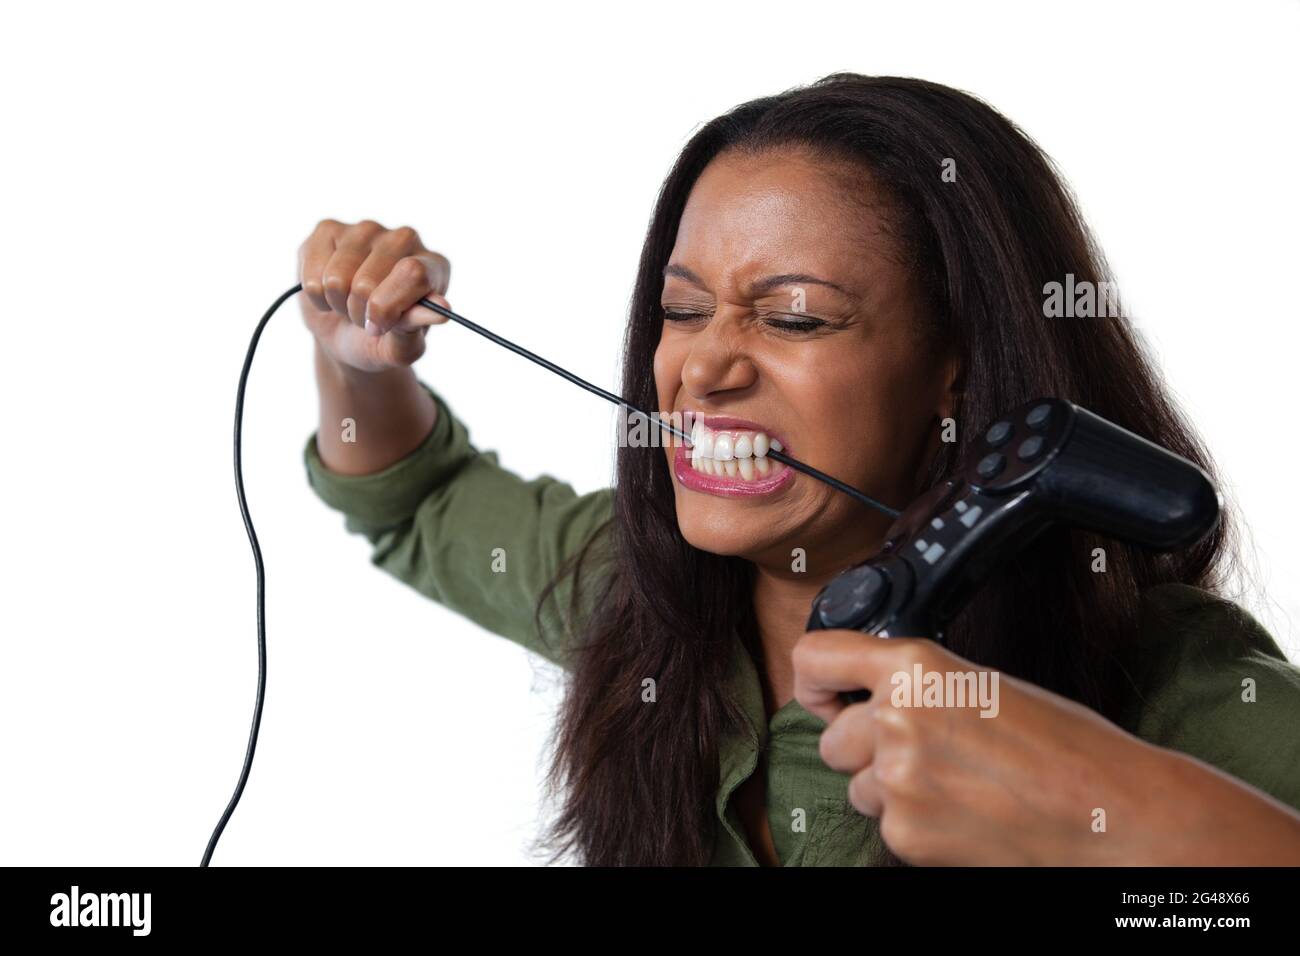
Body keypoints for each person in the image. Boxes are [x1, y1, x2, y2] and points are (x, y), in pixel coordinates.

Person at [298, 74, 1300, 866]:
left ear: (955, 369)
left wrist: (1116, 809)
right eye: (682, 311)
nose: (702, 367)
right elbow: (412, 493)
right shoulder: (629, 587)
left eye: (792, 319)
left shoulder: (1166, 675)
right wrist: (353, 360)